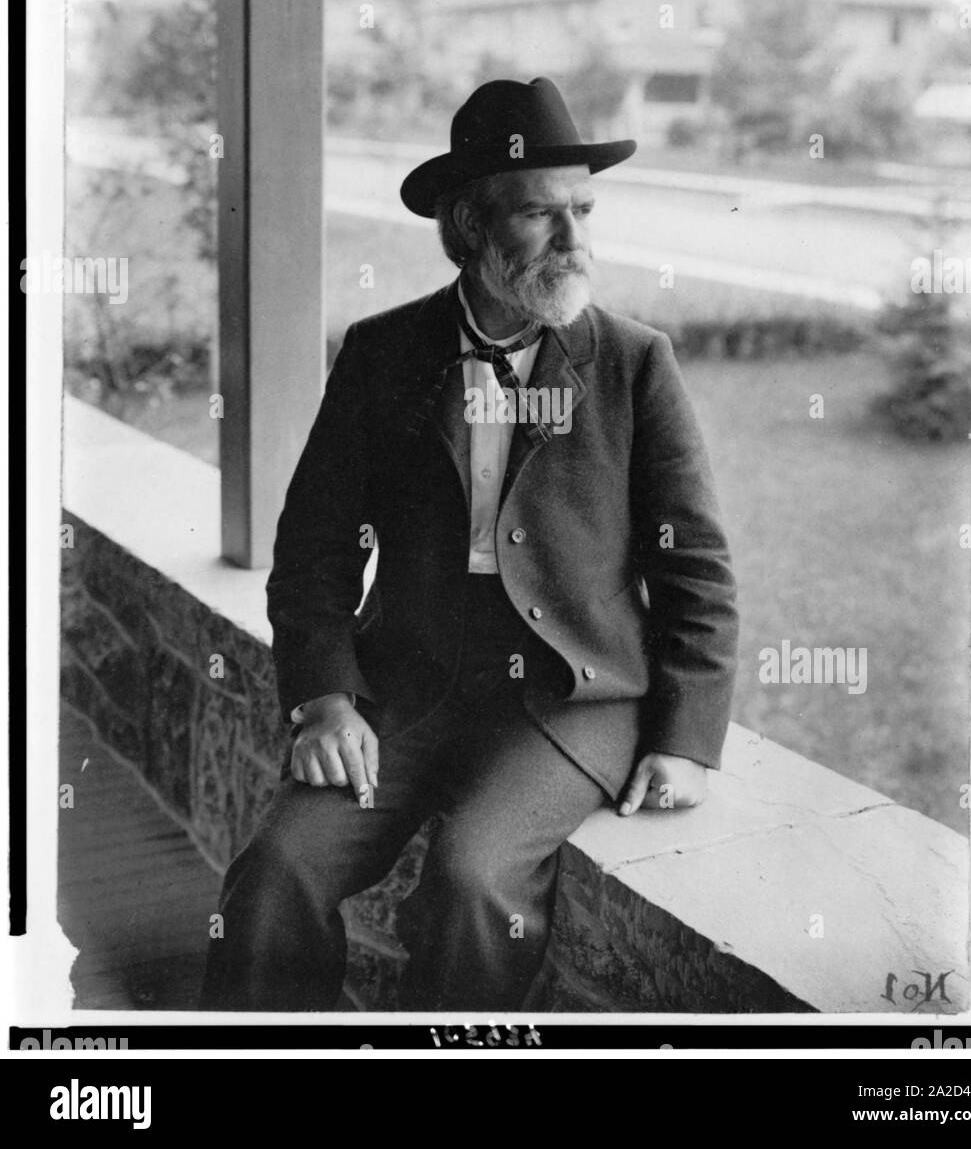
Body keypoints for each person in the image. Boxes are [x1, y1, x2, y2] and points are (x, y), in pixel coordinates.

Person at [201, 76, 739, 1012]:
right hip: (403, 685)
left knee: (472, 882)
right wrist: (326, 698)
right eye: (541, 216)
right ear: (469, 226)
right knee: (277, 871)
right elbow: (315, 547)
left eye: (583, 211)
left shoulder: (633, 360)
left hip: (569, 695)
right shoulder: (383, 352)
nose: (575, 240)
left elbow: (693, 563)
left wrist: (687, 738)